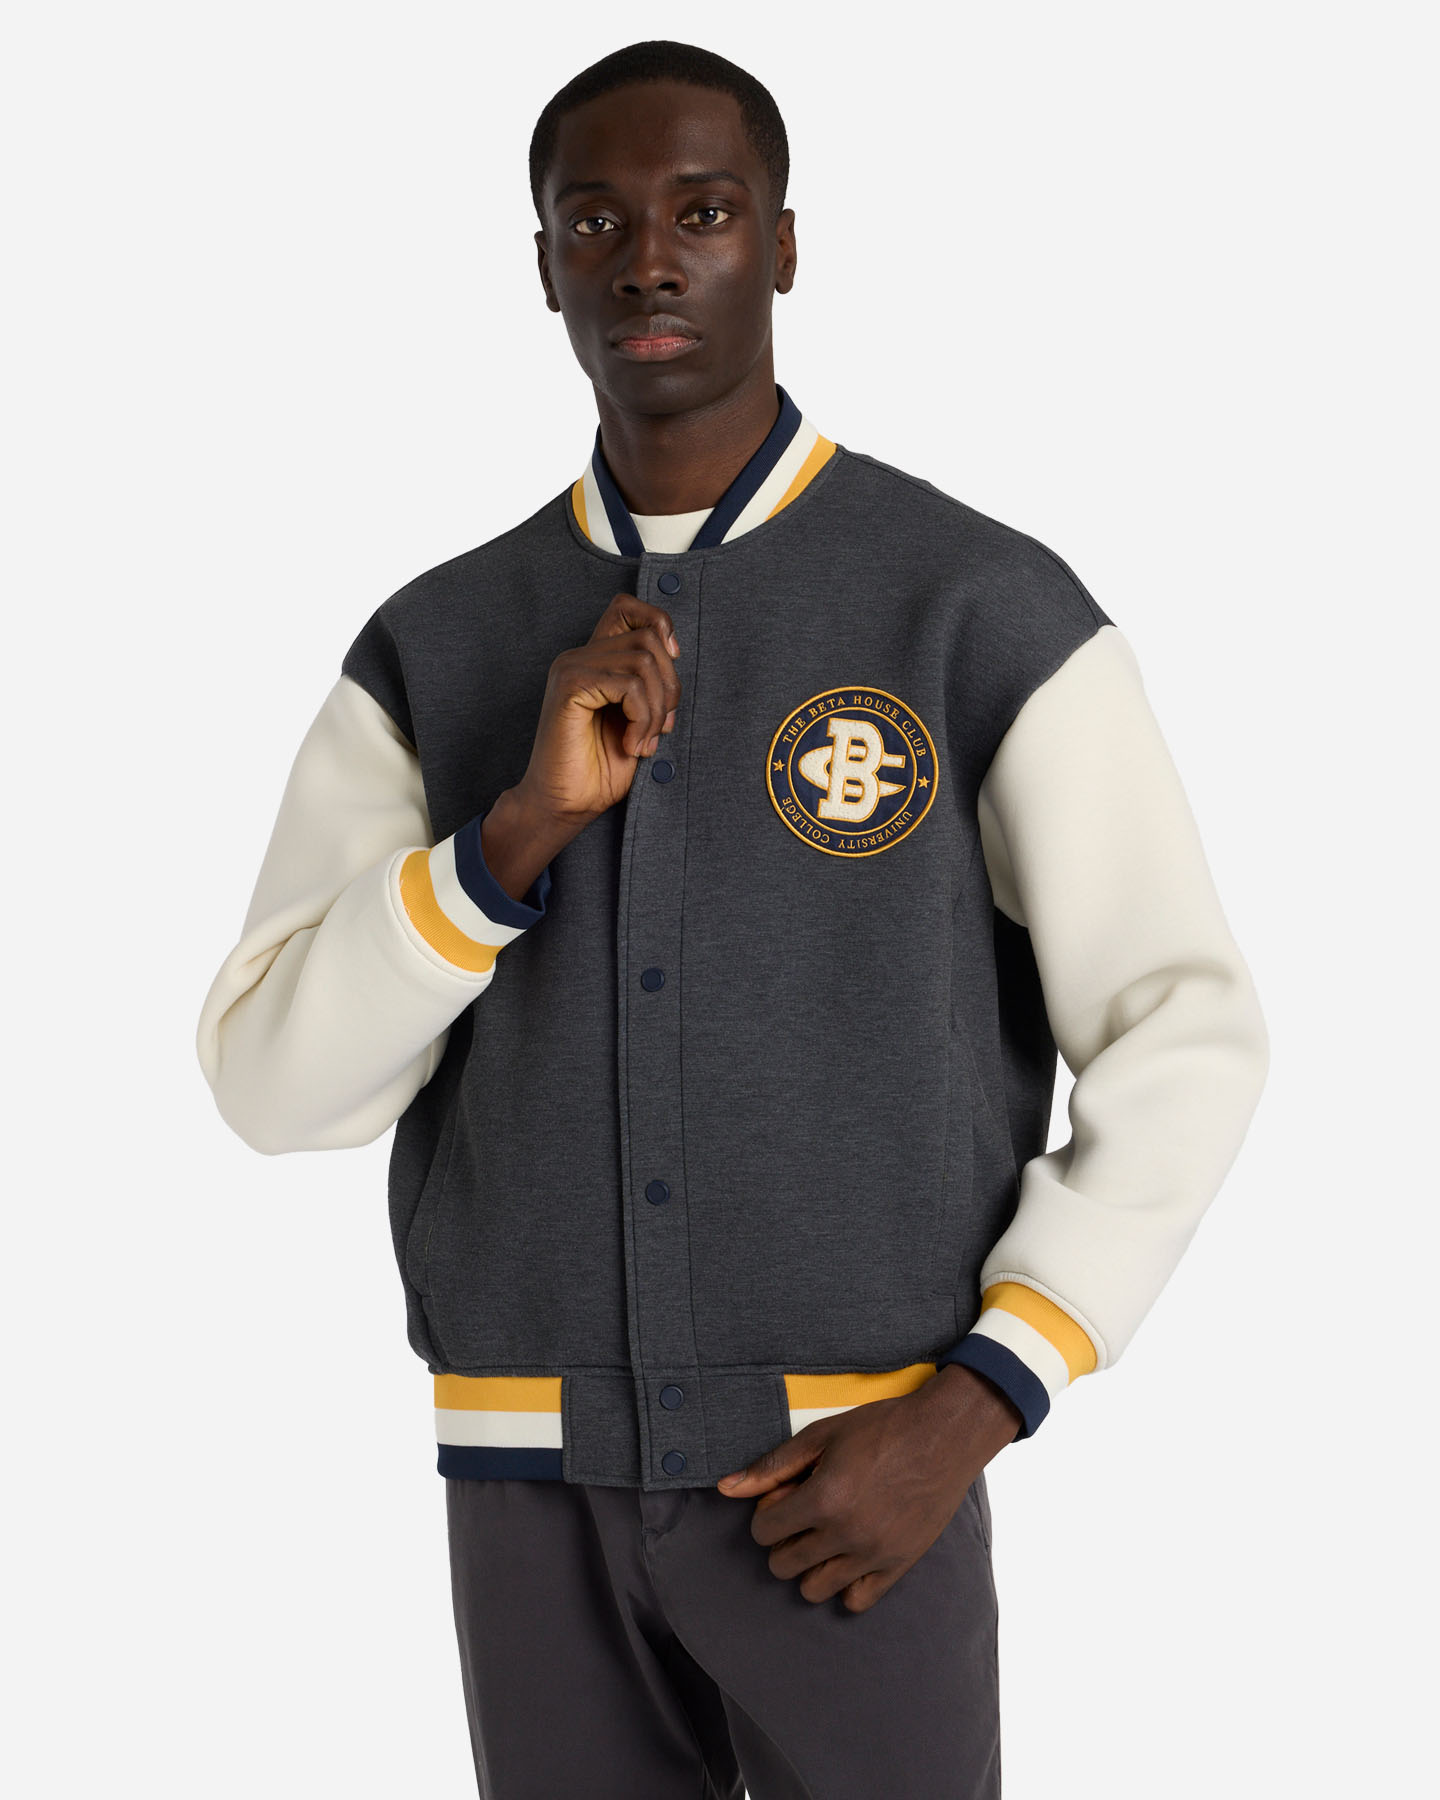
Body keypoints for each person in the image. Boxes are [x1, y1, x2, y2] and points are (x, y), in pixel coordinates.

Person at [196, 38, 1270, 1800]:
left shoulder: (975, 606)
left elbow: (1187, 1030)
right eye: (595, 222)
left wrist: (980, 1399)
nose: (647, 262)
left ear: (782, 243)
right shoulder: (438, 644)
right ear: (543, 265)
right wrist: (512, 838)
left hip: (858, 1482)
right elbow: (269, 1084)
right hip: (529, 1492)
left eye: (701, 213)